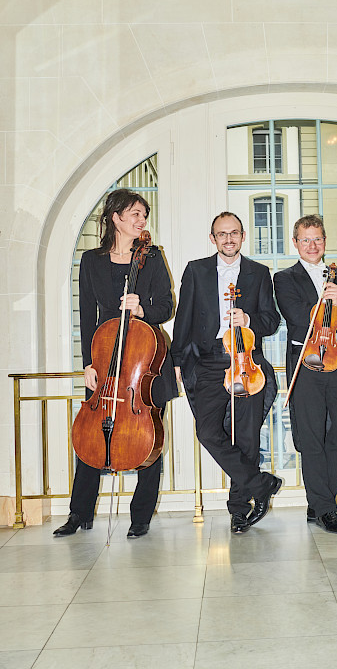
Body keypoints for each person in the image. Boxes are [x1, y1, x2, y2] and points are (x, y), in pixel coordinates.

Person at [54, 189, 177, 539]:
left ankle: (141, 516)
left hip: (145, 361)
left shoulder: (152, 257)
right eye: (135, 214)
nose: (141, 221)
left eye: (144, 215)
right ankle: (80, 513)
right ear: (116, 218)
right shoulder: (91, 261)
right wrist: (88, 363)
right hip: (105, 358)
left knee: (148, 437)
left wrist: (141, 309)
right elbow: (86, 316)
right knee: (92, 435)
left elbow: (167, 306)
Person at [171, 212, 282, 534]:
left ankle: (239, 509)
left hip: (246, 361)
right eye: (222, 234)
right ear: (213, 239)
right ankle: (260, 484)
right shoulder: (196, 270)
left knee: (245, 437)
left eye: (234, 233)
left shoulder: (259, 273)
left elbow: (271, 321)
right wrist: (178, 360)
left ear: (243, 236)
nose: (228, 239)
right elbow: (184, 319)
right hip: (209, 361)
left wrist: (248, 320)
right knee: (207, 432)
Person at [274, 214, 337, 534]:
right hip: (306, 363)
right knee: (312, 436)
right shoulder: (284, 278)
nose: (312, 245)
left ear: (325, 241)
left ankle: (321, 503)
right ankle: (326, 507)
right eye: (305, 240)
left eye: (317, 239)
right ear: (295, 243)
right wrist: (336, 315)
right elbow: (296, 316)